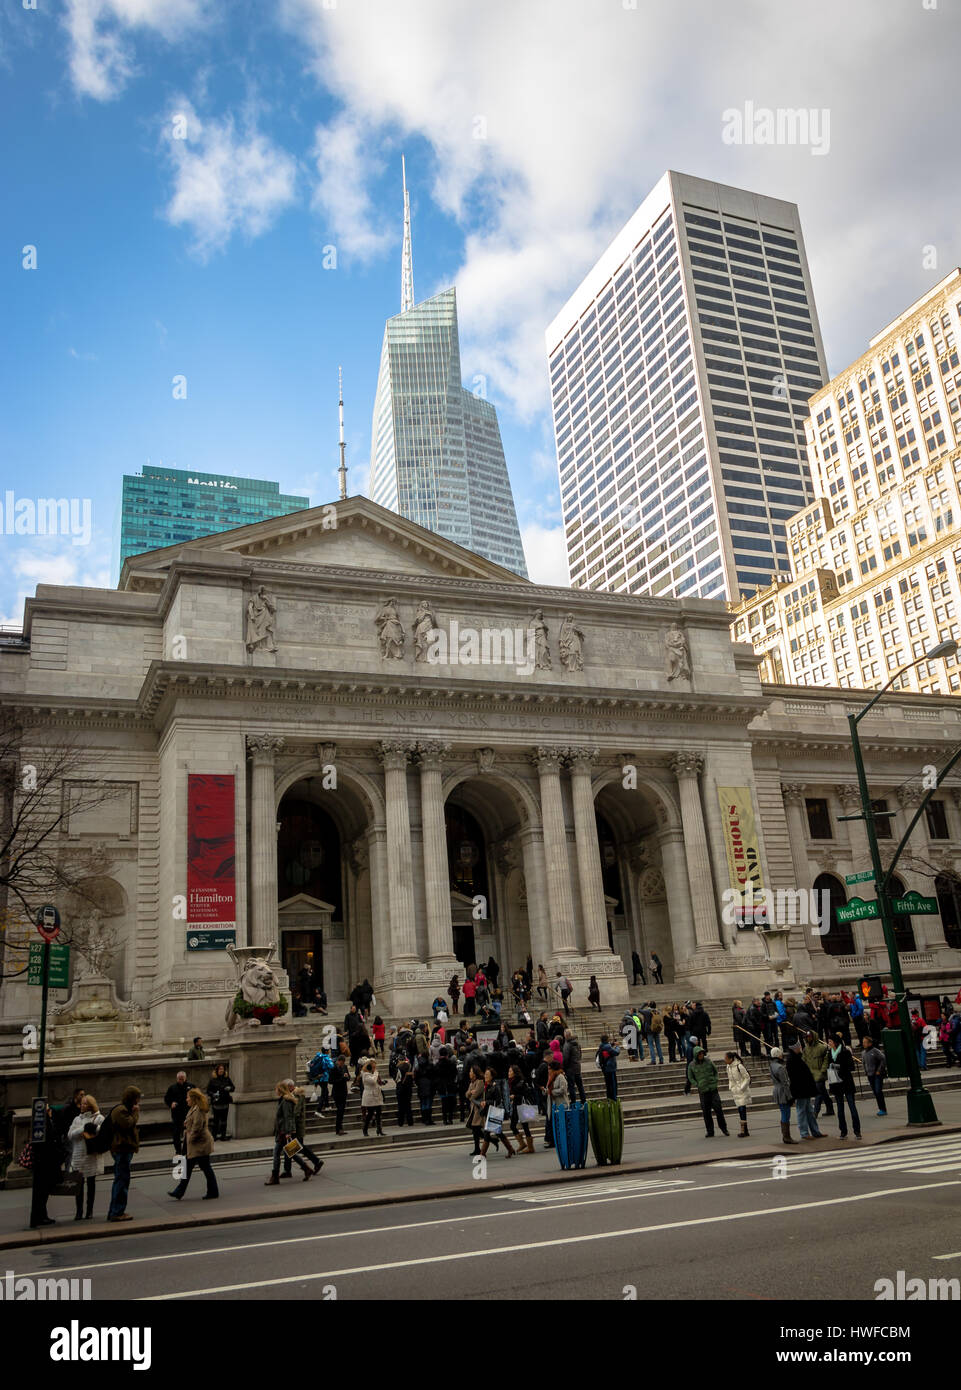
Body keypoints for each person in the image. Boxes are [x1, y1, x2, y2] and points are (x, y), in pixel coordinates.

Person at [168, 1088, 220, 1200]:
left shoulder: (198, 1109)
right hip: (194, 1143)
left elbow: (198, 1127)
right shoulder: (194, 1108)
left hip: (199, 1143)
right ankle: (179, 1191)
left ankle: (213, 1191)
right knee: (190, 1167)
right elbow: (193, 1123)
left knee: (205, 1167)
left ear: (193, 1098)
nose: (186, 1099)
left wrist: (190, 1138)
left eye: (188, 1097)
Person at [265, 1082, 314, 1184]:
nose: (275, 1091)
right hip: (282, 1131)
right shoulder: (283, 1100)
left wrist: (288, 1132)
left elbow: (288, 1117)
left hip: (284, 1132)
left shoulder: (286, 1101)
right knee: (291, 1152)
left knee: (278, 1152)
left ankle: (275, 1177)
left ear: (280, 1090)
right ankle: (306, 1169)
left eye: (277, 1089)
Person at [107, 1086, 142, 1221]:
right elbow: (128, 1124)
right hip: (122, 1149)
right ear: (132, 1098)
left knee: (120, 1180)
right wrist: (136, 1113)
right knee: (122, 1181)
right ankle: (117, 1212)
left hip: (124, 1149)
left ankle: (114, 1211)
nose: (139, 1101)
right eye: (137, 1097)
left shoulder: (123, 1109)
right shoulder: (121, 1110)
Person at [68, 1095, 104, 1220]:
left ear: (90, 1105)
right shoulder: (77, 1119)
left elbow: (104, 1132)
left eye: (84, 1104)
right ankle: (79, 1211)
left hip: (91, 1155)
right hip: (78, 1155)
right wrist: (82, 1129)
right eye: (81, 1103)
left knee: (91, 1183)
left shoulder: (98, 1118)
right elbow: (70, 1135)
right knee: (78, 1184)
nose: (81, 1106)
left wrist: (94, 1128)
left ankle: (89, 1211)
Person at [686, 1045, 729, 1138]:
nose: (701, 1055)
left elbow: (715, 1071)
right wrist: (697, 1084)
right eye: (699, 1054)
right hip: (703, 1091)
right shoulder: (692, 1065)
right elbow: (690, 1077)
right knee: (706, 1112)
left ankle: (724, 1128)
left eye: (702, 1053)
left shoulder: (708, 1061)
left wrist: (715, 1080)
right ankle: (710, 1131)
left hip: (713, 1089)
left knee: (718, 1110)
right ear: (696, 1055)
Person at [785, 1041, 823, 1140]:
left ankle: (815, 1131)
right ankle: (804, 1133)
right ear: (795, 1048)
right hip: (800, 1089)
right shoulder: (792, 1059)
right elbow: (794, 1077)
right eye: (799, 1047)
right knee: (802, 1111)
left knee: (809, 1110)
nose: (800, 1048)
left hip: (803, 1089)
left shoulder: (796, 1058)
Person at [827, 1035, 861, 1140]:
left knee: (852, 1107)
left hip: (846, 1082)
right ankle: (843, 1131)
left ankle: (857, 1131)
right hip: (836, 1083)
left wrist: (837, 1067)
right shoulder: (829, 1054)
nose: (829, 1043)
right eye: (828, 1041)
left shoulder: (845, 1052)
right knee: (840, 1109)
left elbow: (851, 1067)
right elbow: (828, 1067)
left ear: (836, 1042)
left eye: (830, 1041)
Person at [801, 1031, 834, 1119]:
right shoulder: (806, 1049)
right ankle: (830, 1108)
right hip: (811, 1074)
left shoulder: (822, 1048)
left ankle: (815, 1111)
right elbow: (803, 1060)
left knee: (818, 1092)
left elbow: (826, 1059)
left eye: (809, 1037)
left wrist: (823, 1070)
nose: (808, 1038)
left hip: (820, 1073)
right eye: (807, 1037)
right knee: (822, 1092)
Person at [768, 1048, 795, 1145]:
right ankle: (786, 1137)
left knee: (783, 1112)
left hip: (776, 1090)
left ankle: (786, 1136)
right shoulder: (780, 1067)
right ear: (778, 1055)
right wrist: (790, 1096)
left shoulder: (771, 1065)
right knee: (786, 1114)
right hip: (782, 1091)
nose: (782, 1055)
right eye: (780, 1054)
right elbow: (785, 1083)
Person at [723, 1052, 752, 1137]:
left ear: (731, 1059)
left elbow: (747, 1078)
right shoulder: (728, 1067)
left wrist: (741, 1088)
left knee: (742, 1109)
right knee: (740, 1109)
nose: (725, 1060)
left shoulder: (739, 1066)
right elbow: (730, 1079)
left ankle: (743, 1131)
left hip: (742, 1091)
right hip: (735, 1091)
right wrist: (731, 1087)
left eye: (726, 1058)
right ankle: (745, 1130)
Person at [164, 1070, 191, 1154]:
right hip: (177, 1114)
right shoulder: (172, 1088)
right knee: (176, 1134)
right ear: (177, 1079)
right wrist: (171, 1103)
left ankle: (186, 1149)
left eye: (182, 1079)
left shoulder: (190, 1086)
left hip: (188, 1113)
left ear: (185, 1078)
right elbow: (166, 1098)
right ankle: (178, 1150)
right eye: (179, 1079)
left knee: (188, 1133)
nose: (181, 1081)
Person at [205, 1063, 234, 1141]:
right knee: (216, 1120)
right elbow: (208, 1091)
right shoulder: (213, 1080)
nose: (221, 1070)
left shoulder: (227, 1078)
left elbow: (233, 1087)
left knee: (224, 1120)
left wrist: (229, 1088)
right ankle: (214, 1136)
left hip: (225, 1101)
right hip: (216, 1102)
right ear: (217, 1070)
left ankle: (223, 1135)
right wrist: (213, 1094)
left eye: (222, 1069)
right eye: (220, 1069)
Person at [862, 1036, 887, 1116]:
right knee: (875, 1092)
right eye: (863, 1042)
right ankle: (881, 1108)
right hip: (870, 1075)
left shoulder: (875, 1051)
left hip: (877, 1074)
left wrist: (879, 1070)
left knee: (878, 1091)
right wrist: (866, 1071)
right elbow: (864, 1063)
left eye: (865, 1042)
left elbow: (883, 1059)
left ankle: (883, 1109)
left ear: (870, 1043)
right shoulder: (863, 1053)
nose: (863, 1044)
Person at [359, 1061, 385, 1137]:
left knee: (379, 1113)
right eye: (373, 1067)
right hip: (370, 1096)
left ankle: (379, 1130)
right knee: (370, 1114)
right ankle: (365, 1129)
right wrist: (376, 1073)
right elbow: (373, 1081)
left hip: (376, 1095)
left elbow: (377, 1082)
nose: (375, 1069)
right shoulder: (365, 1075)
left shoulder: (372, 1075)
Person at [562, 1028, 586, 1103]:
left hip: (570, 1068)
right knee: (580, 1086)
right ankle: (583, 1100)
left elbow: (565, 1058)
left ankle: (573, 1102)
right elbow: (580, 1054)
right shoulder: (577, 1043)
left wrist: (564, 1067)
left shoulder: (567, 1044)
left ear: (565, 1035)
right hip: (577, 1067)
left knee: (571, 1086)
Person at [330, 1055, 350, 1135]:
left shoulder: (344, 1067)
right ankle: (338, 1128)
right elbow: (331, 1081)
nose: (342, 1064)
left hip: (344, 1091)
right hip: (337, 1092)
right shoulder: (333, 1068)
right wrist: (342, 1078)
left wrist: (347, 1077)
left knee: (342, 1110)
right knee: (340, 1110)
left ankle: (340, 1128)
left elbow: (348, 1077)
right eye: (341, 1062)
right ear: (339, 1061)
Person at [596, 1034, 620, 1100]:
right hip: (610, 1068)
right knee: (613, 1085)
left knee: (608, 1084)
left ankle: (609, 1098)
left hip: (605, 1067)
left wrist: (612, 1044)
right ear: (607, 1040)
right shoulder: (607, 1047)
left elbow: (608, 1048)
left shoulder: (602, 1046)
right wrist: (617, 1046)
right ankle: (613, 1098)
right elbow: (616, 1052)